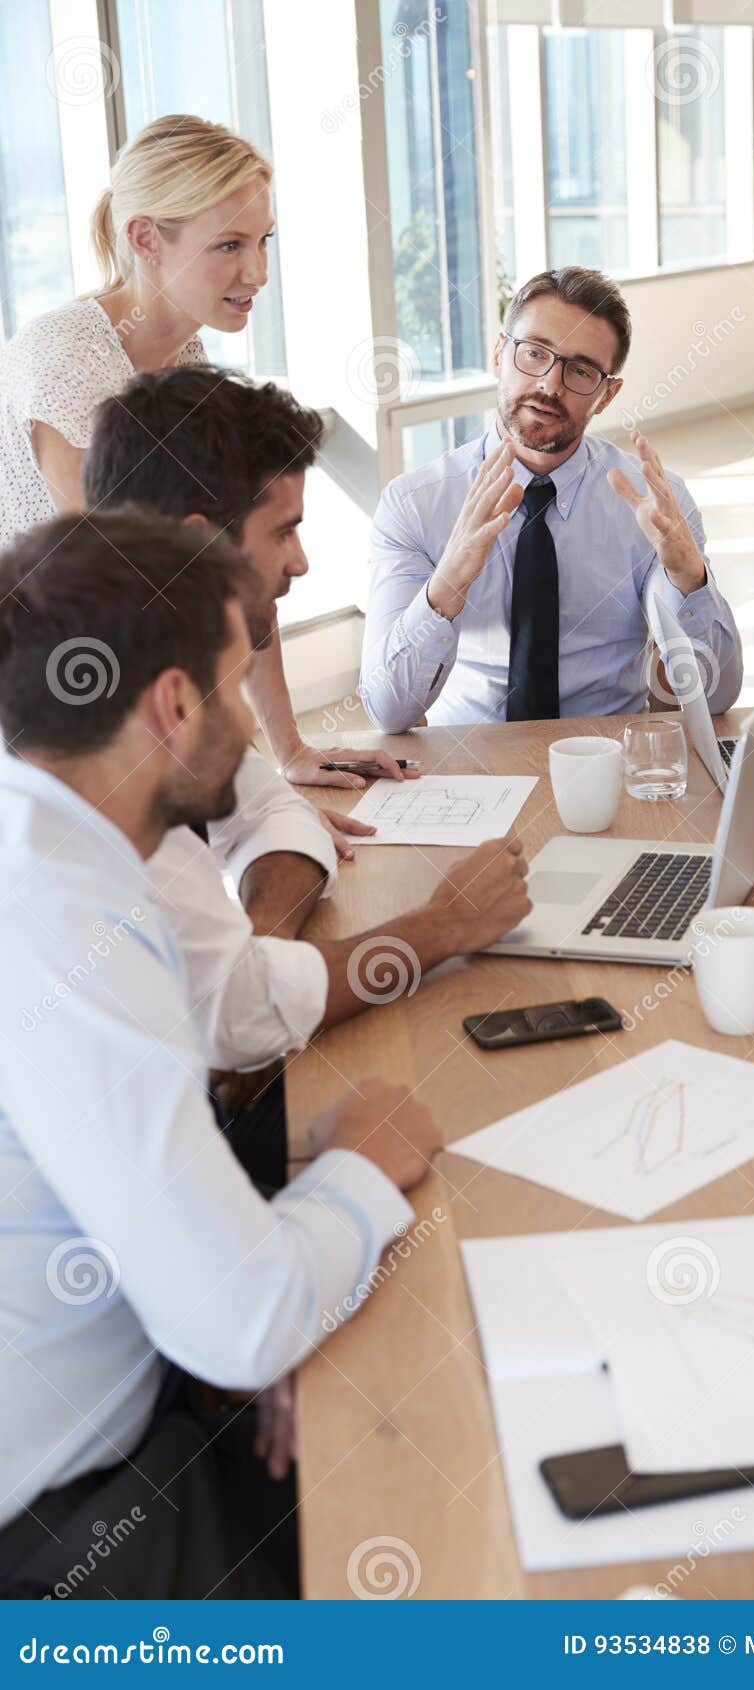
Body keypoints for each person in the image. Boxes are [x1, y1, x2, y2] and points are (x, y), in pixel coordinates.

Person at [0, 513, 443, 1598]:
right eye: (238, 687)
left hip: (127, 1407)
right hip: (61, 1537)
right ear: (172, 703)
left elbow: (223, 1298)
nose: (251, 726)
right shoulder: (61, 921)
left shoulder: (53, 840)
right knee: (441, 1522)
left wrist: (268, 1277)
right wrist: (362, 1164)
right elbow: (242, 1324)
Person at [82, 368, 532, 1130]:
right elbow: (232, 1029)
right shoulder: (98, 739)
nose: (300, 562)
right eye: (283, 530)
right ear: (200, 543)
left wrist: (255, 960)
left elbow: (270, 813)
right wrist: (442, 924)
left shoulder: (156, 662)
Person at [0, 112, 351, 790]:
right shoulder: (68, 358)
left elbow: (236, 560)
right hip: (46, 706)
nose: (258, 271)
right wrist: (250, 796)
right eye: (228, 246)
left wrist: (291, 752)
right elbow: (139, 591)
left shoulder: (183, 357)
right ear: (145, 239)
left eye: (263, 240)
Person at [359, 266, 742, 730]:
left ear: (607, 394)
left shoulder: (653, 503)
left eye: (580, 370)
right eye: (535, 353)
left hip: (606, 758)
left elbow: (717, 696)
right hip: (468, 767)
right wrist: (450, 579)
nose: (549, 384)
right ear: (500, 353)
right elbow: (387, 709)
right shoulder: (416, 504)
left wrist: (689, 575)